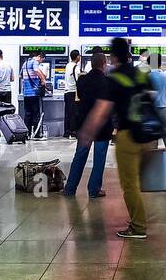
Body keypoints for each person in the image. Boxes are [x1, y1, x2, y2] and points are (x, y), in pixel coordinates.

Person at [77, 37, 150, 239]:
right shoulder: (139, 74)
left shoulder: (115, 78)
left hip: (128, 136)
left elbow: (102, 110)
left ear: (112, 57)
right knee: (137, 182)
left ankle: (138, 226)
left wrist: (87, 131)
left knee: (129, 184)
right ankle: (139, 218)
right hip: (146, 135)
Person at [63, 48, 110, 198]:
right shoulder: (107, 82)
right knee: (99, 158)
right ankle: (94, 189)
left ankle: (70, 188)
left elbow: (81, 99)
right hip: (102, 125)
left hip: (85, 124)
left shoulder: (82, 80)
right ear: (104, 64)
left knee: (80, 155)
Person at [147, 58, 166, 146]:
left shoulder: (147, 77)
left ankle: (152, 158)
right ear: (160, 64)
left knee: (151, 139)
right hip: (165, 110)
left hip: (150, 111)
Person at [20, 50, 49, 140]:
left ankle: (27, 134)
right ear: (39, 56)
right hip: (34, 92)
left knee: (28, 114)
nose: (41, 61)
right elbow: (36, 70)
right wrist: (43, 79)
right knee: (36, 114)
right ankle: (37, 134)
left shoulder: (25, 63)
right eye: (42, 59)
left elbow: (20, 75)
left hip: (26, 93)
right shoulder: (35, 62)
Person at [63, 49, 83, 137]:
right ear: (77, 57)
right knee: (74, 113)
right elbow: (79, 80)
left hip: (67, 92)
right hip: (74, 92)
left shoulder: (68, 65)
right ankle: (73, 131)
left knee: (67, 113)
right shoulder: (76, 67)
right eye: (79, 56)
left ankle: (67, 132)